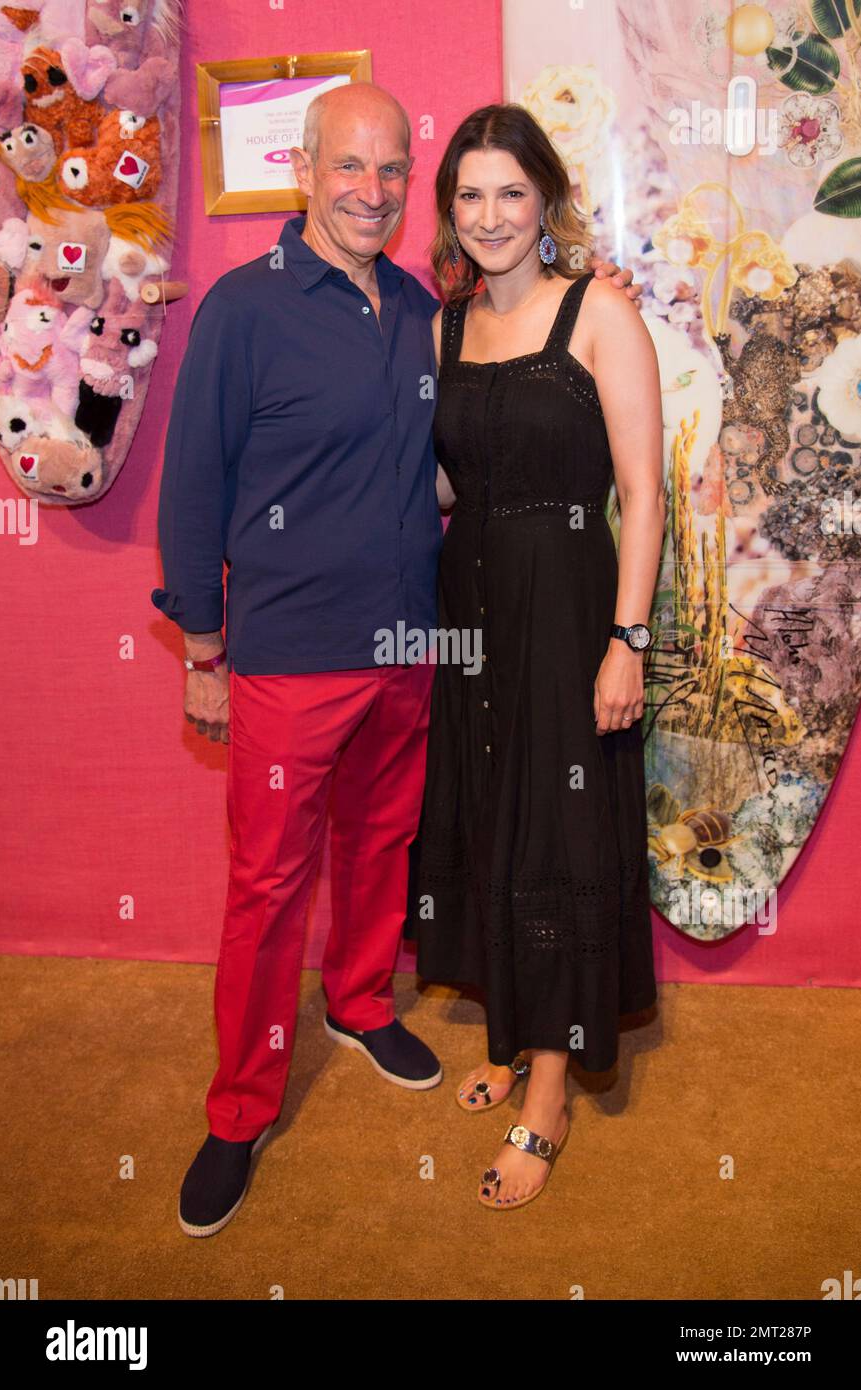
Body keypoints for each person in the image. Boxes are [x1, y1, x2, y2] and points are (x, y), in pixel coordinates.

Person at [150, 81, 642, 1237]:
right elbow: (191, 484)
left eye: (389, 169)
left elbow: (478, 449)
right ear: (305, 170)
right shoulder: (241, 309)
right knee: (269, 887)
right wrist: (202, 648)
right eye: (346, 167)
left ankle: (363, 1002)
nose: (368, 192)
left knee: (382, 848)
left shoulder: (427, 309)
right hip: (284, 650)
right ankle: (237, 1112)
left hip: (416, 640)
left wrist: (596, 297)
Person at [405, 103, 665, 1210]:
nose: (490, 215)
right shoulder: (442, 328)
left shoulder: (598, 313)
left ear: (545, 198)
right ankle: (514, 1034)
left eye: (511, 191)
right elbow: (452, 483)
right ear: (449, 212)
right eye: (468, 194)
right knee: (490, 808)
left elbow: (646, 495)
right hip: (471, 607)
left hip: (568, 606)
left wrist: (627, 640)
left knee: (556, 826)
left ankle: (549, 1090)